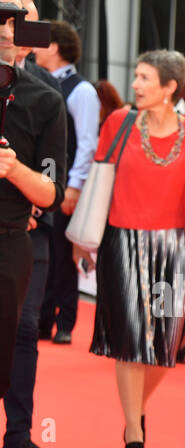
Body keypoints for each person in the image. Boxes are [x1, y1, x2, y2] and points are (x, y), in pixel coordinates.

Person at [87, 50, 185, 448]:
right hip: (120, 240)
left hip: (171, 246)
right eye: (137, 76)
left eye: (145, 78)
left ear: (169, 87)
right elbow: (99, 176)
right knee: (130, 341)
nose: (136, 84)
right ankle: (133, 433)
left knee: (169, 341)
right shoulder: (118, 123)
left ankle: (134, 405)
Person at [0, 1, 67, 448]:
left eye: (21, 15)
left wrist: (14, 171)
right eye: (5, 12)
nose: (11, 23)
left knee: (20, 333)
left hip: (19, 235)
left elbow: (51, 190)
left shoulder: (46, 100)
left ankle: (18, 437)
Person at [32, 20, 94, 346]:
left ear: (54, 47)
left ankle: (65, 320)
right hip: (42, 182)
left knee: (64, 254)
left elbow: (86, 143)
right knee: (44, 251)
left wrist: (74, 186)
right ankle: (41, 319)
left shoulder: (82, 90)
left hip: (66, 186)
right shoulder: (34, 81)